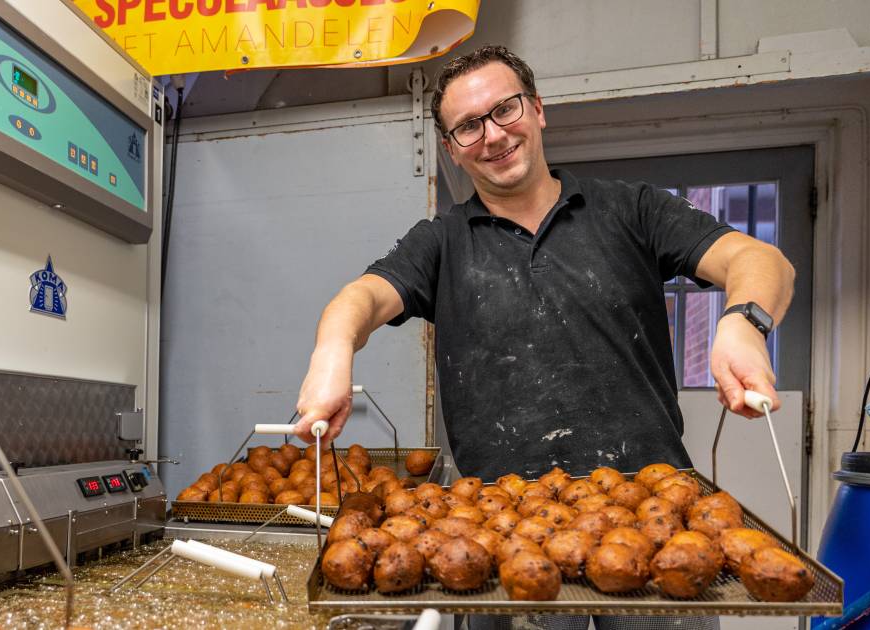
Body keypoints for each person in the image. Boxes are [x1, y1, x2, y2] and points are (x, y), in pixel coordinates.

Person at [293, 45, 794, 630]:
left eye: (505, 109)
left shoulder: (630, 210)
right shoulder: (442, 242)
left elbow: (760, 259)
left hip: (654, 526)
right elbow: (361, 297)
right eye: (468, 126)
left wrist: (743, 322)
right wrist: (333, 351)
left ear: (536, 109)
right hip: (501, 536)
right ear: (453, 149)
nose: (493, 135)